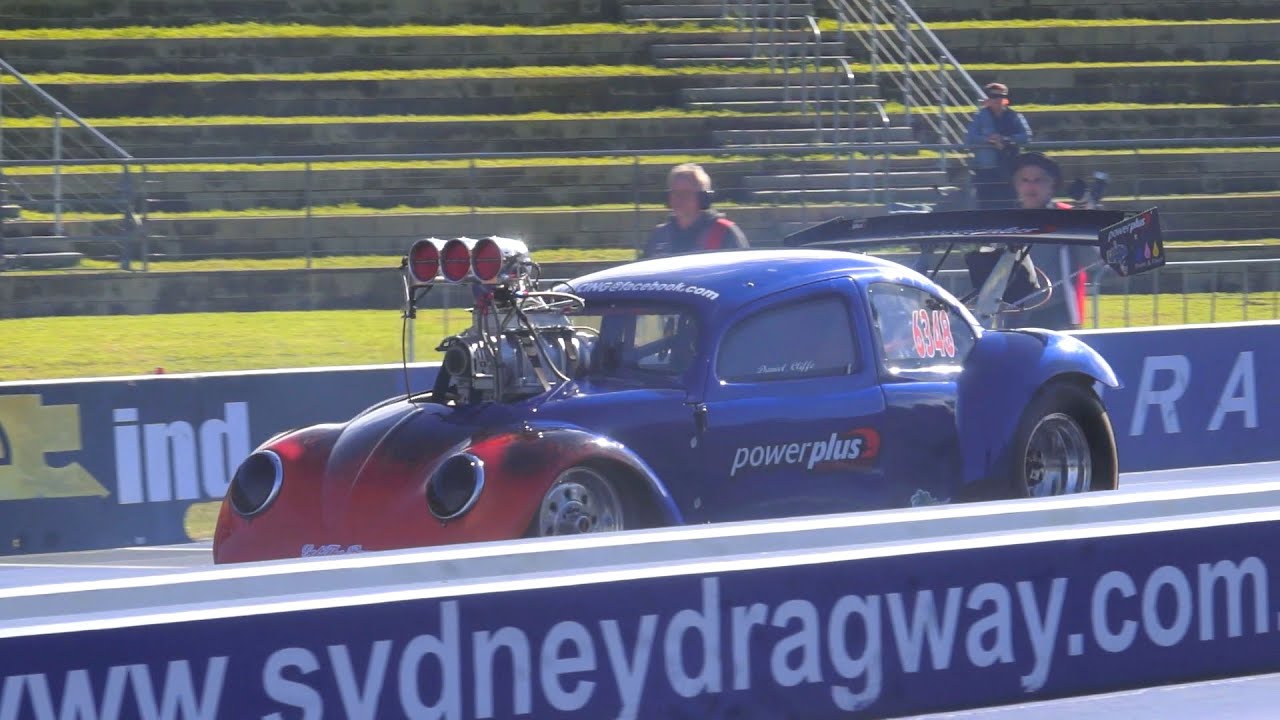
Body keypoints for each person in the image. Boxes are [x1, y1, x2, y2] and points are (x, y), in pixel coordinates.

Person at [1005, 152, 1091, 330]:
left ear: (1052, 185)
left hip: (1057, 313)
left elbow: (1092, 261)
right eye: (1025, 180)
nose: (1031, 186)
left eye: (1038, 180)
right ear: (1016, 185)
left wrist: (1087, 220)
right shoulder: (1006, 222)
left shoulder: (1068, 217)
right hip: (1014, 315)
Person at [641, 163, 749, 259]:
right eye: (675, 193)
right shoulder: (659, 235)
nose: (679, 199)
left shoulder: (724, 232)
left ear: (704, 198)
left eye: (687, 193)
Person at [965, 82, 1031, 211]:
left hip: (1009, 168)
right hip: (986, 169)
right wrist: (989, 140)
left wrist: (1007, 139)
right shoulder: (979, 117)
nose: (998, 99)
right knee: (986, 205)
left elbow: (1026, 136)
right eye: (994, 96)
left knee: (1009, 204)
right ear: (988, 99)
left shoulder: (1015, 116)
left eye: (1001, 96)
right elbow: (970, 138)